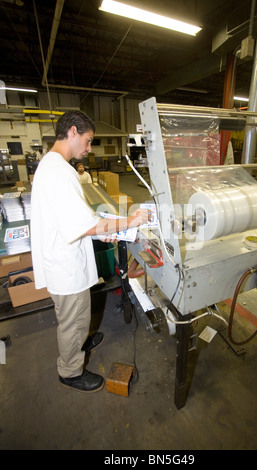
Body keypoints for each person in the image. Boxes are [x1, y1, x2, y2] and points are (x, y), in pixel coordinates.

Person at [30, 110, 149, 393]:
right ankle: (70, 370)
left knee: (75, 318)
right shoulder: (60, 172)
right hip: (65, 267)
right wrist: (130, 221)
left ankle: (80, 342)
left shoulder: (52, 165)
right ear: (73, 131)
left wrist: (103, 231)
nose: (89, 147)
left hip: (62, 254)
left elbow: (74, 223)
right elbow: (84, 225)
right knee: (74, 320)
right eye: (88, 140)